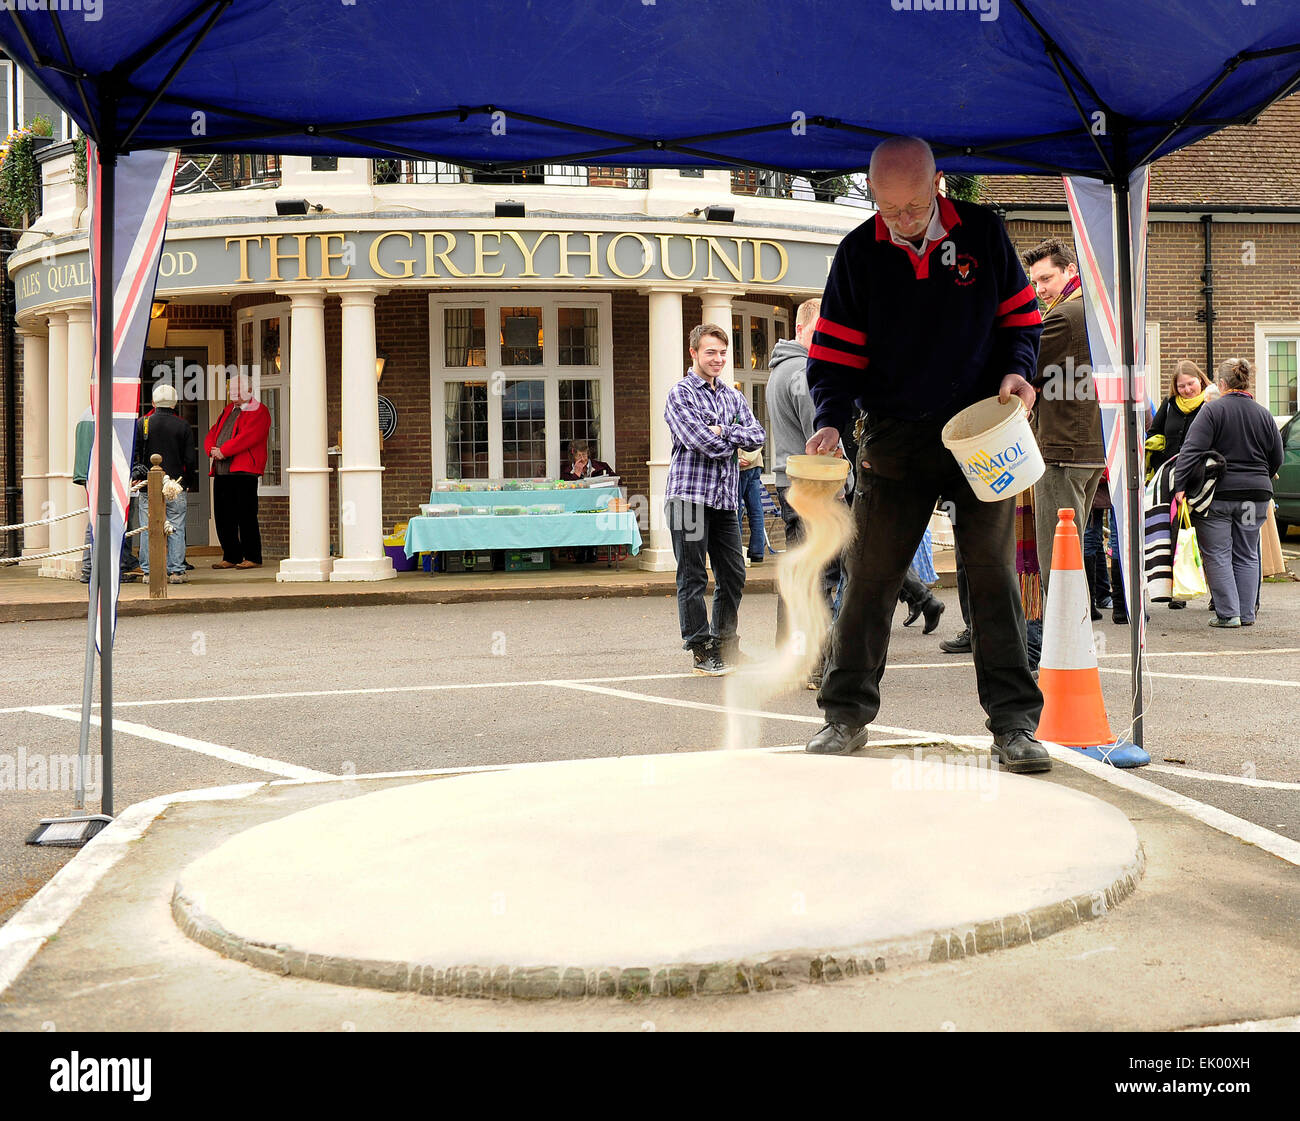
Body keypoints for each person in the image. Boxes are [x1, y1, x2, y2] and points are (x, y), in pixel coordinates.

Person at [802, 136, 1048, 773]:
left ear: (938, 184)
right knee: (870, 578)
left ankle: (1015, 726)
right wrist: (831, 419)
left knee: (992, 578)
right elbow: (834, 355)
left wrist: (1019, 373)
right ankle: (845, 715)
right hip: (893, 434)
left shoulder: (985, 234)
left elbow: (1022, 320)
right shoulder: (858, 251)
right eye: (887, 210)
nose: (901, 222)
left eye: (912, 208)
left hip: (980, 429)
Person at [664, 323, 766, 675]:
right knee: (692, 576)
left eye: (723, 352)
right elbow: (699, 442)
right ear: (693, 353)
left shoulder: (733, 396)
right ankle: (701, 650)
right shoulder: (681, 394)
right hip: (687, 499)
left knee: (734, 574)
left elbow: (757, 436)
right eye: (710, 352)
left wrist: (724, 430)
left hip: (724, 500)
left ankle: (725, 643)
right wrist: (731, 440)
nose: (718, 359)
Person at [1173, 357, 1284, 628]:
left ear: (1221, 384)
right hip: (1254, 498)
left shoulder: (1212, 411)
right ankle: (1247, 614)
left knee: (1218, 552)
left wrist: (1180, 486)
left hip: (1219, 498)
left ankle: (1228, 614)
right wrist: (1260, 476)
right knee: (1247, 552)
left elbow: (1191, 450)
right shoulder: (1263, 414)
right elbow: (1277, 456)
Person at [1022, 237, 1104, 588]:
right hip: (1088, 448)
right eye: (1035, 281)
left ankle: (1066, 640)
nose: (1039, 288)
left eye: (1046, 279)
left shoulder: (1066, 314)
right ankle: (1074, 636)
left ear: (1071, 269)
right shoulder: (1094, 308)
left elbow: (1026, 367)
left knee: (1057, 562)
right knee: (1071, 553)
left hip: (1063, 449)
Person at [133, 382, 198, 584]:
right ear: (174, 403)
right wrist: (188, 482)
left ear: (154, 402)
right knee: (176, 526)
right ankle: (176, 571)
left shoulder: (142, 423)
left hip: (148, 485)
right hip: (175, 485)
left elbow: (134, 454)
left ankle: (148, 571)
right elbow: (190, 459)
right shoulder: (183, 425)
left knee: (147, 527)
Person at [205, 373, 271, 570]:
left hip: (244, 471)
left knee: (246, 515)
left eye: (237, 389)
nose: (233, 393)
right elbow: (212, 433)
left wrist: (223, 451)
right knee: (224, 516)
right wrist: (211, 449)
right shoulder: (227, 410)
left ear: (249, 391)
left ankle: (252, 556)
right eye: (231, 389)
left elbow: (248, 437)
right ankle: (231, 555)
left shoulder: (259, 410)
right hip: (223, 470)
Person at [74, 406, 139, 584]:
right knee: (114, 521)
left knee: (95, 521)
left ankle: (89, 568)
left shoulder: (85, 415)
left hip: (89, 472)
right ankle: (113, 567)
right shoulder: (109, 414)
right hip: (106, 474)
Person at [560, 440, 614, 562]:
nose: (582, 458)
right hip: (576, 506)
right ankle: (580, 550)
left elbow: (616, 482)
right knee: (578, 521)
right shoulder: (566, 469)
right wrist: (577, 473)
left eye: (584, 455)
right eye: (579, 455)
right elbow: (564, 489)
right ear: (572, 456)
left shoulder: (602, 466)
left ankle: (592, 549)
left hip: (598, 504)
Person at [736, 436, 766, 566]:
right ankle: (757, 552)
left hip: (741, 465)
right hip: (756, 464)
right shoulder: (752, 419)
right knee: (756, 511)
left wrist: (741, 458)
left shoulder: (736, 415)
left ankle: (736, 552)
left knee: (735, 512)